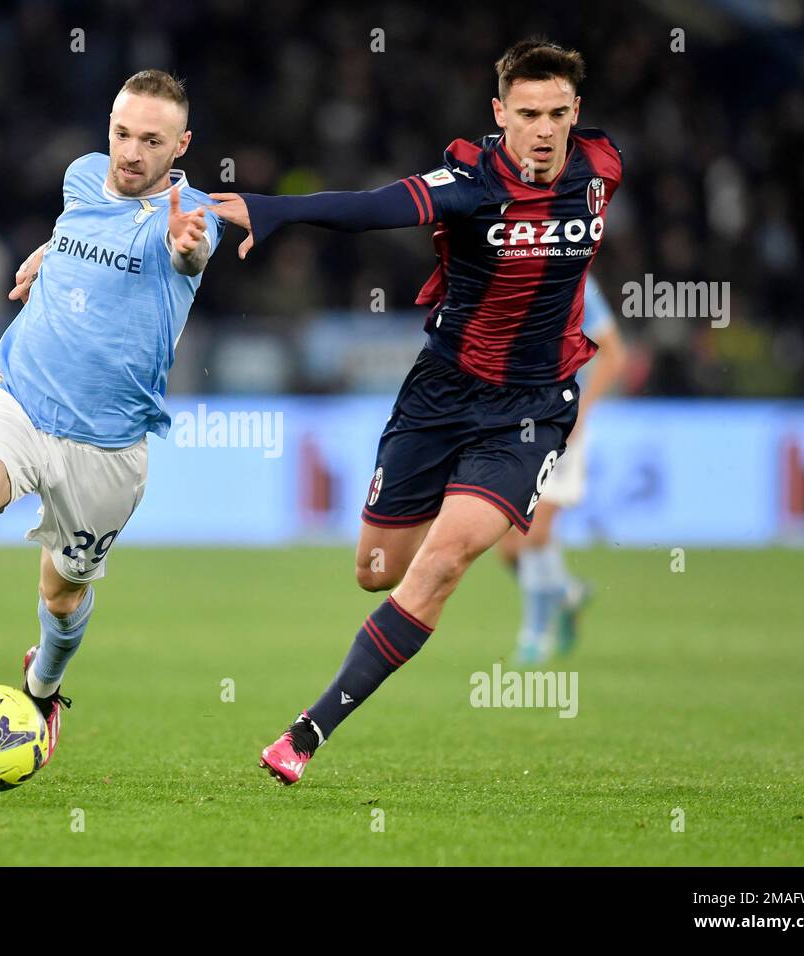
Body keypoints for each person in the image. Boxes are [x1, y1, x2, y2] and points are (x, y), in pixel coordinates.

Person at [210, 37, 623, 784]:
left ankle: (304, 735)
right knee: (376, 571)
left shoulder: (600, 168)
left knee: (441, 566)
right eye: (526, 114)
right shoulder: (471, 179)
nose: (542, 130)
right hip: (440, 394)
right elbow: (375, 208)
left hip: (531, 409)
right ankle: (455, 499)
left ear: (576, 114)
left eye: (557, 114)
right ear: (500, 114)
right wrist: (274, 211)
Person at [0, 70, 222, 772]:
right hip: (21, 394)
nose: (132, 151)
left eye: (152, 140)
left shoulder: (190, 210)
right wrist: (50, 257)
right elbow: (85, 236)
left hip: (107, 441)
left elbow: (188, 250)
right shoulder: (82, 177)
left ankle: (44, 687)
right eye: (122, 132)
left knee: (61, 593)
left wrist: (185, 246)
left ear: (182, 145)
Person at [497, 272, 625, 664]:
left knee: (532, 533)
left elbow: (614, 354)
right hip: (518, 427)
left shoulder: (576, 281)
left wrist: (582, 411)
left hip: (560, 423)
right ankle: (566, 594)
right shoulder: (507, 275)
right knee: (508, 550)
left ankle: (534, 639)